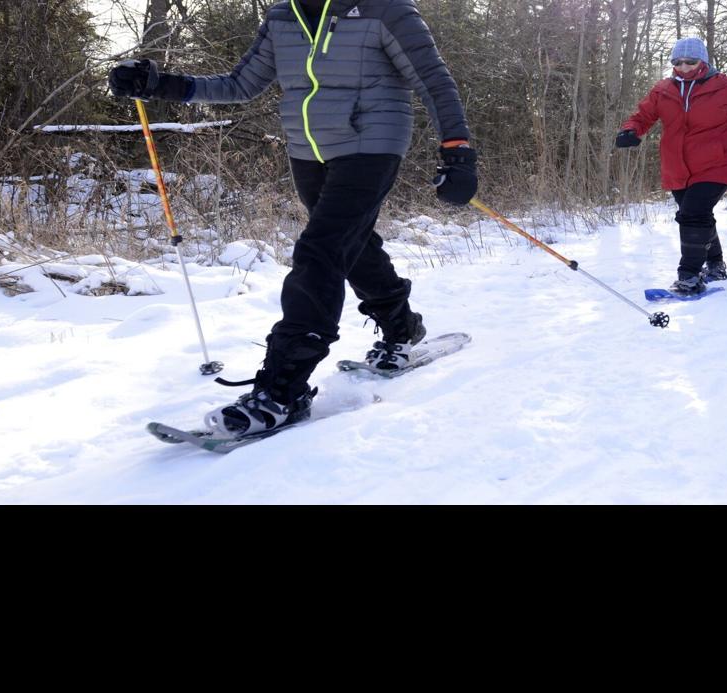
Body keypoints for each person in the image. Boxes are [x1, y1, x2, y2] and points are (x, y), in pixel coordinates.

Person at [109, 0, 478, 436]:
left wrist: (457, 149)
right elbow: (241, 84)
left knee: (320, 251)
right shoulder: (283, 16)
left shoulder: (385, 10)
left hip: (372, 143)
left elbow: (433, 80)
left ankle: (283, 388)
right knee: (351, 245)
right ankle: (401, 328)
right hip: (308, 150)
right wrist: (163, 85)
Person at [616, 37, 727, 295]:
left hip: (717, 164)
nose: (684, 67)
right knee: (698, 215)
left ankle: (689, 276)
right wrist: (630, 130)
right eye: (678, 62)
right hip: (677, 167)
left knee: (693, 214)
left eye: (690, 61)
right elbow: (643, 115)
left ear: (703, 61)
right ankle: (715, 264)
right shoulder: (663, 89)